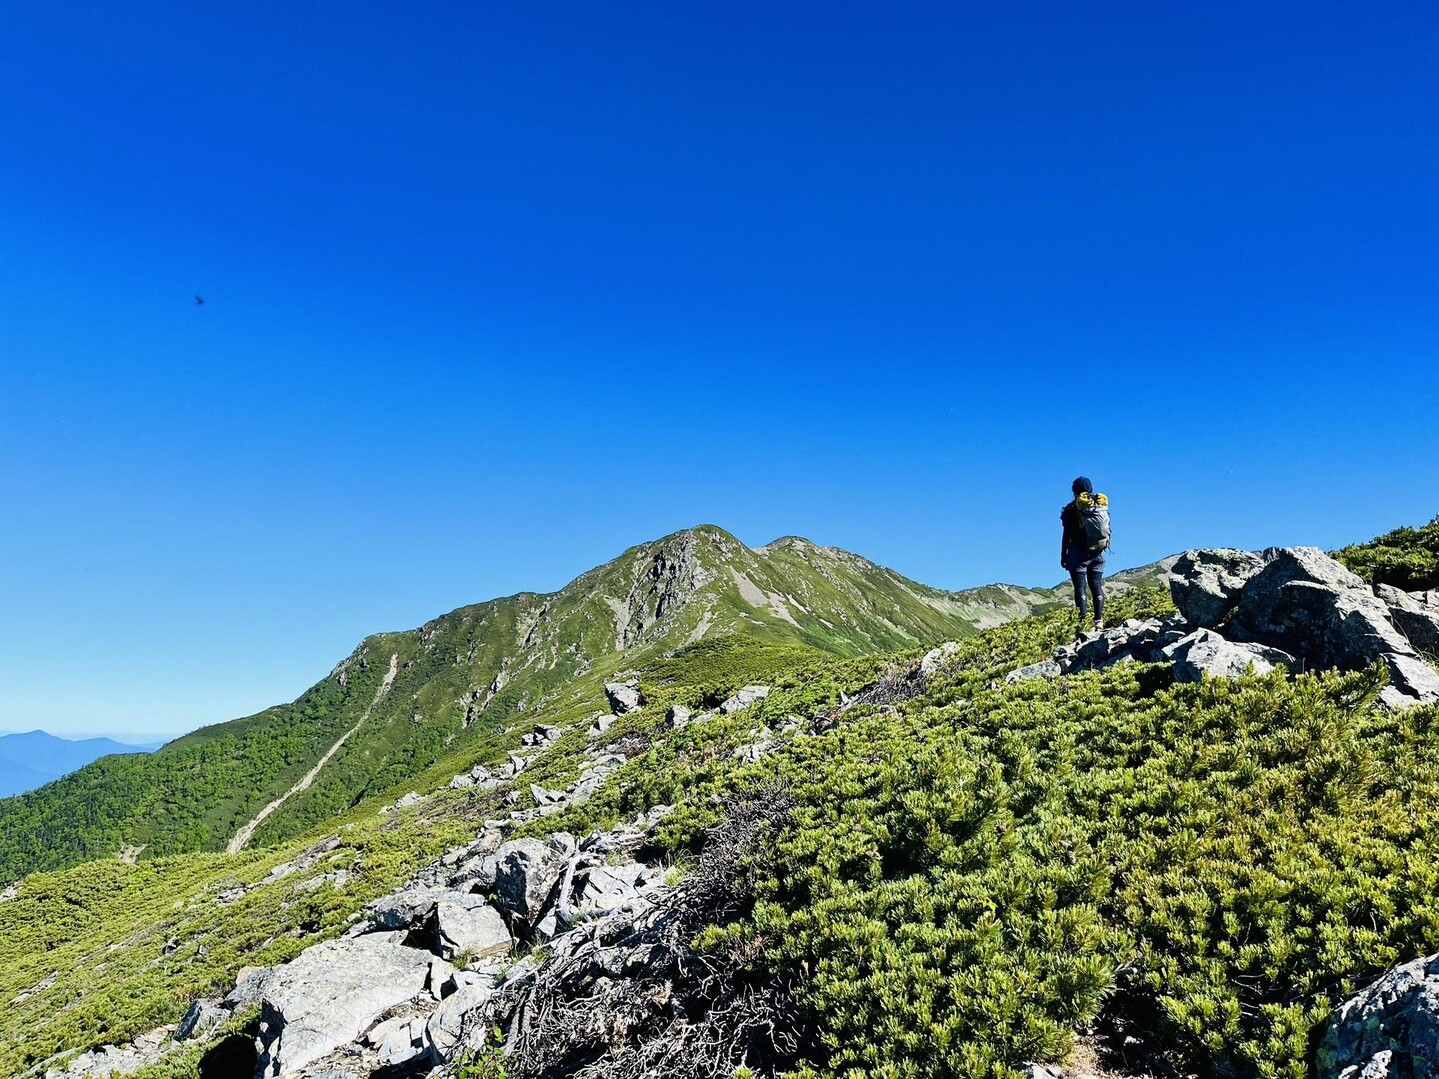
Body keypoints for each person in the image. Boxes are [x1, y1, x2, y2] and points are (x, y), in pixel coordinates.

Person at [1061, 476, 1110, 635]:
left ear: (1074, 490)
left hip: (1078, 553)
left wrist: (1064, 554)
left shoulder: (1071, 509)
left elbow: (1066, 533)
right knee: (1096, 586)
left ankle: (1081, 622)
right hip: (1099, 552)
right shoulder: (1100, 505)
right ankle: (1099, 621)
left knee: (1080, 587)